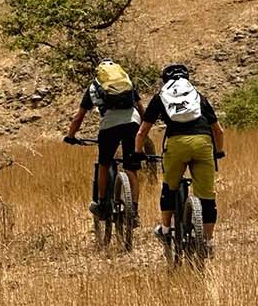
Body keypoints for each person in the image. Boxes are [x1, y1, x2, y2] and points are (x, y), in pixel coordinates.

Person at [136, 63, 226, 245]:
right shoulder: (197, 96)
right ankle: (208, 241)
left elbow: (142, 132)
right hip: (203, 143)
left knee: (169, 187)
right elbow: (219, 131)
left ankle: (165, 230)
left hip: (176, 144)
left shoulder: (161, 96)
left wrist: (138, 152)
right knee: (207, 195)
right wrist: (218, 151)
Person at [63, 59, 144, 224]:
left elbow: (79, 117)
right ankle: (134, 211)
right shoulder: (127, 82)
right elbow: (142, 109)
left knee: (104, 164)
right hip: (132, 122)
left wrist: (70, 135)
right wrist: (143, 130)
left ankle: (102, 204)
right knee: (131, 169)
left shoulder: (94, 87)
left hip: (109, 125)